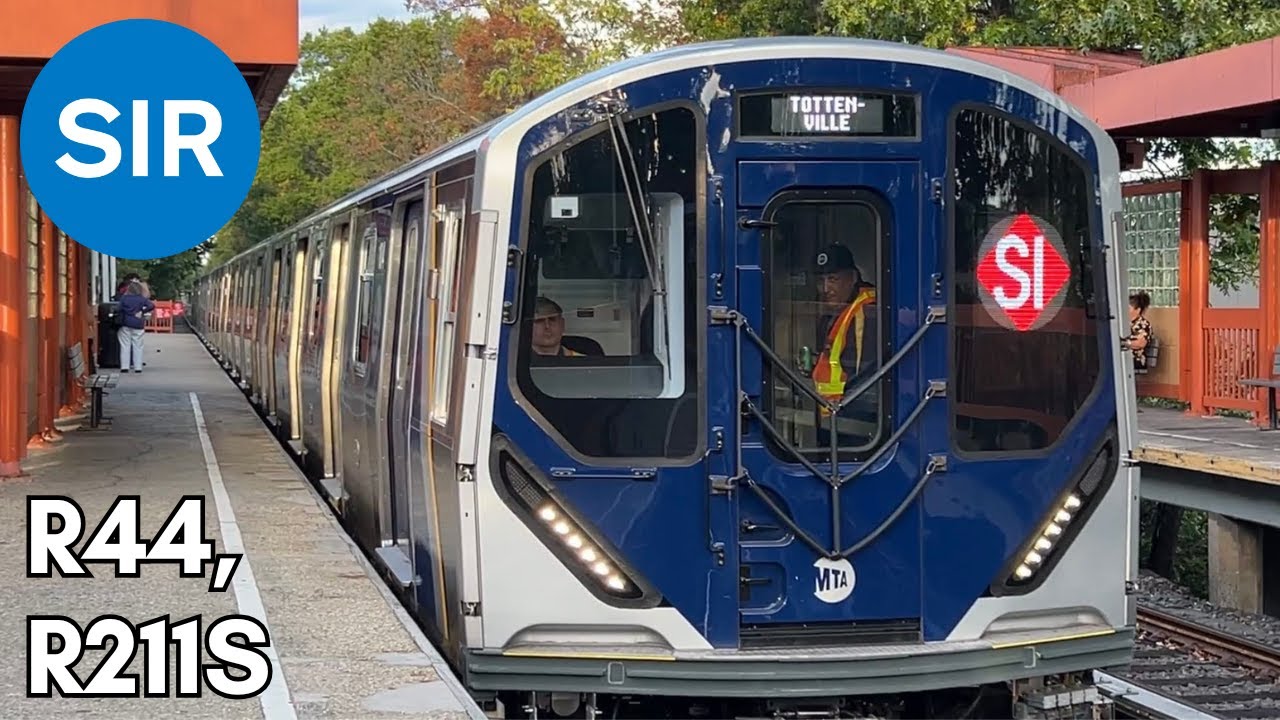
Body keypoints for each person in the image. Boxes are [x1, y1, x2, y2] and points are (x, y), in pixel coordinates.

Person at [809, 244, 878, 425]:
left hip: (856, 416)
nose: (825, 289)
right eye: (820, 281)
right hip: (831, 412)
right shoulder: (835, 309)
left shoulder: (869, 311)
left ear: (852, 278)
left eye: (832, 279)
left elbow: (868, 375)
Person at [117, 281, 154, 373]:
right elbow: (151, 305)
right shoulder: (141, 299)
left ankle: (125, 367)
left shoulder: (124, 298)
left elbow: (118, 309)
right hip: (138, 324)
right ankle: (138, 367)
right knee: (138, 346)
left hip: (125, 323)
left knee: (125, 345)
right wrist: (142, 311)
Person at [1128, 290, 1153, 370]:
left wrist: (1124, 343)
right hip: (1123, 355)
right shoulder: (1124, 323)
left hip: (1135, 358)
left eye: (1129, 308)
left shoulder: (1144, 325)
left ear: (1137, 310)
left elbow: (1140, 343)